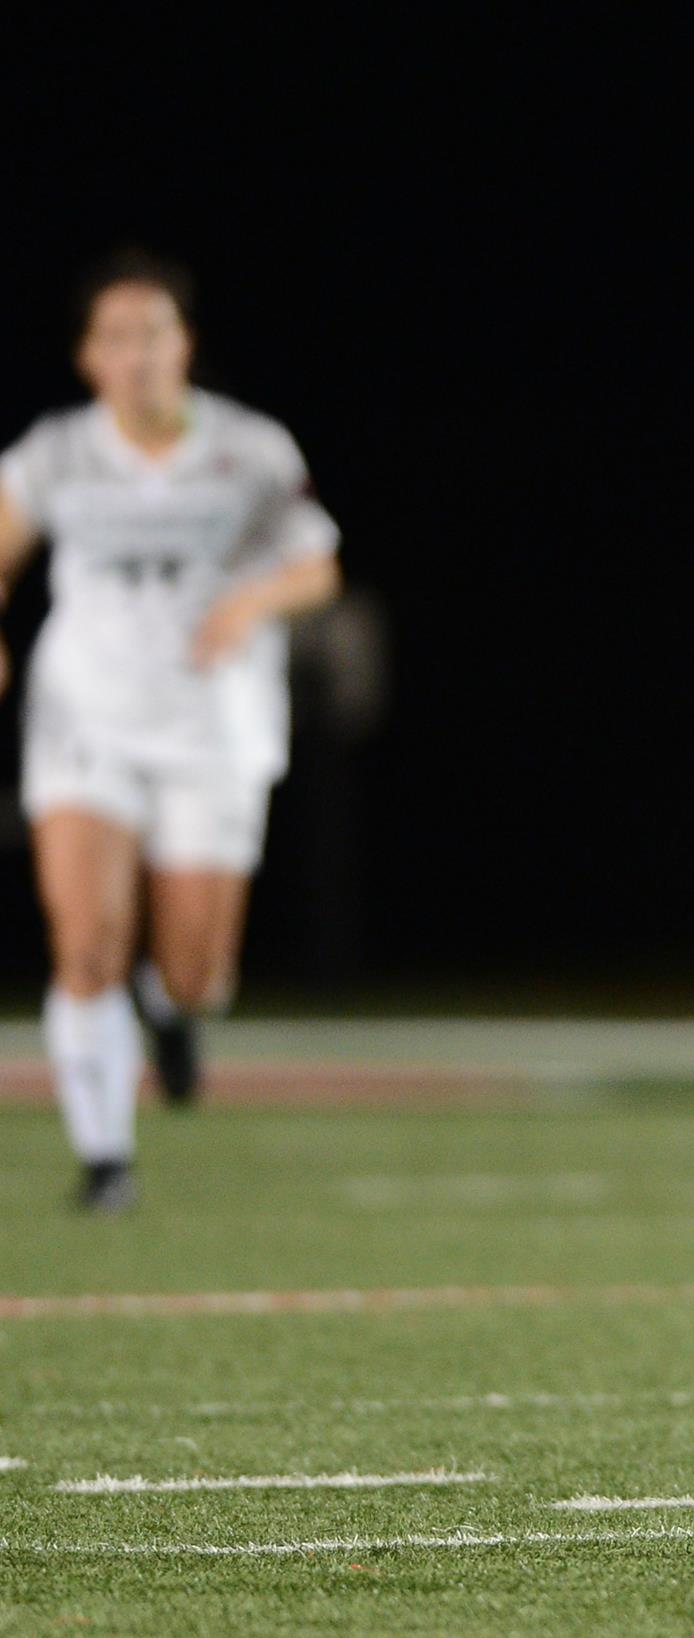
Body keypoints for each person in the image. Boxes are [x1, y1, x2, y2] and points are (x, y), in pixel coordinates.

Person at [0, 252, 343, 1210]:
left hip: (213, 723)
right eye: (116, 337)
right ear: (87, 359)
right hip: (88, 720)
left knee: (194, 965)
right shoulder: (55, 453)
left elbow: (318, 567)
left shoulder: (250, 449)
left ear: (182, 345)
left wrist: (253, 602)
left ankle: (173, 1012)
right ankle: (106, 1160)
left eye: (153, 332)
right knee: (86, 947)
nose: (137, 354)